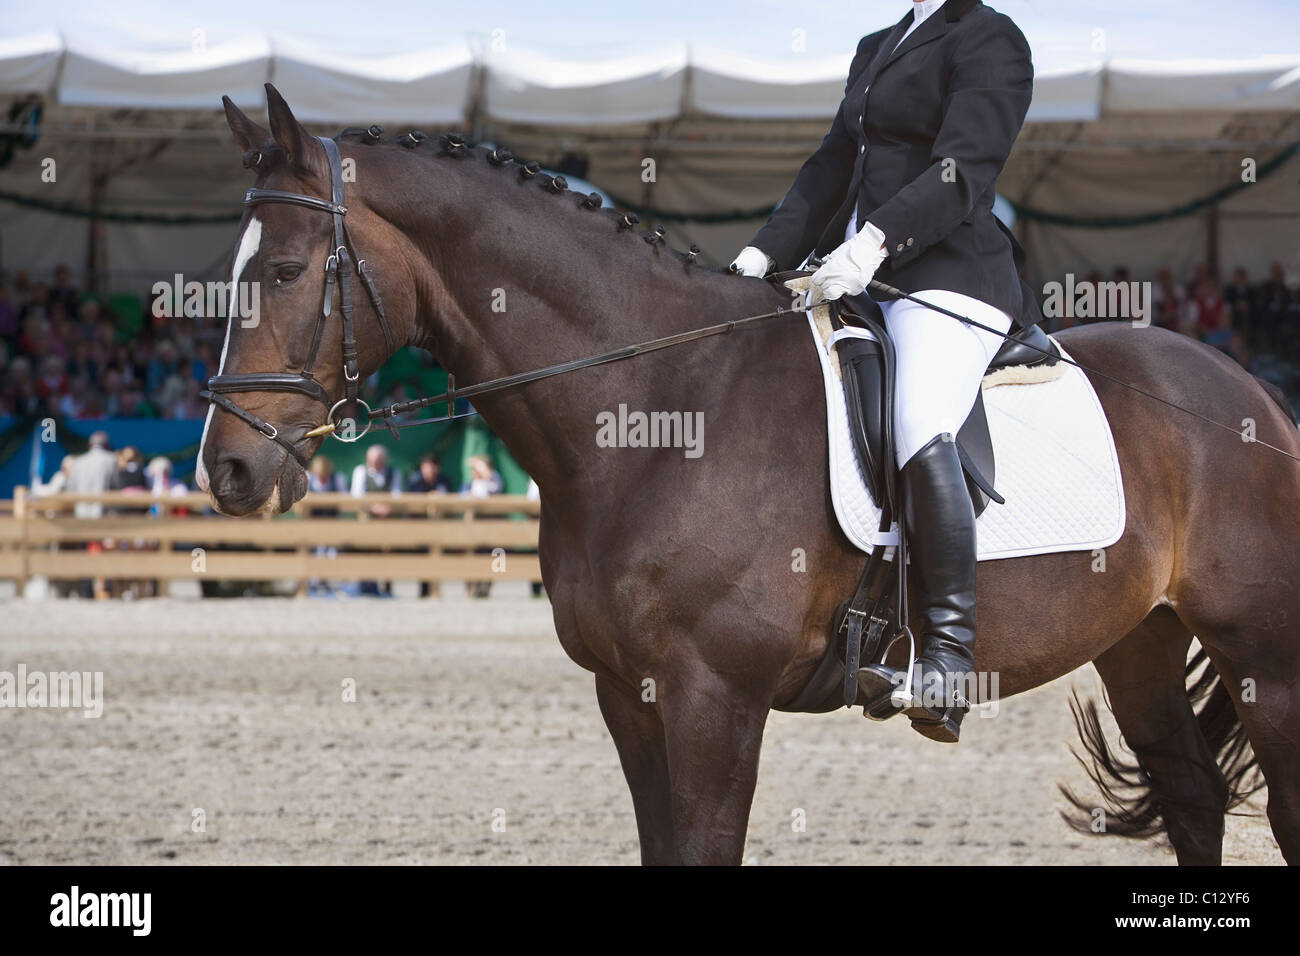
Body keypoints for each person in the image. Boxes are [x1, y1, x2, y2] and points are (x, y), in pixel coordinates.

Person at [729, 0, 1035, 743]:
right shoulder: (880, 41)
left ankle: (947, 660)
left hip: (947, 277)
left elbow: (961, 169)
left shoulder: (991, 38)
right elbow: (833, 165)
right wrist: (761, 256)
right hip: (858, 274)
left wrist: (873, 243)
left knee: (919, 418)